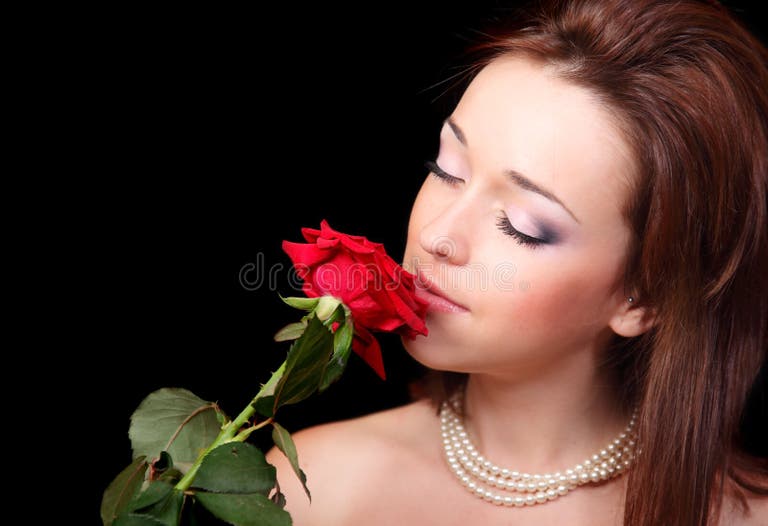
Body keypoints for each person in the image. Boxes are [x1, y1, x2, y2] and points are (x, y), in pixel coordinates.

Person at [267, 1, 768, 524]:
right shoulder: (312, 487)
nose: (438, 237)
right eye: (447, 169)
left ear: (645, 297)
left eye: (523, 226)